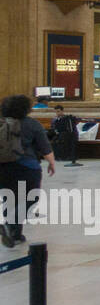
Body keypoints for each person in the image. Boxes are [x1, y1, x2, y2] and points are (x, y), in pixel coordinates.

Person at [0, 95, 56, 248]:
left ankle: (15, 234)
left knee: (9, 199)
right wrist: (51, 162)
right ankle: (11, 226)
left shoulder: (1, 123)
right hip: (27, 167)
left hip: (3, 167)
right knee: (31, 198)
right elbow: (45, 147)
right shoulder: (32, 124)